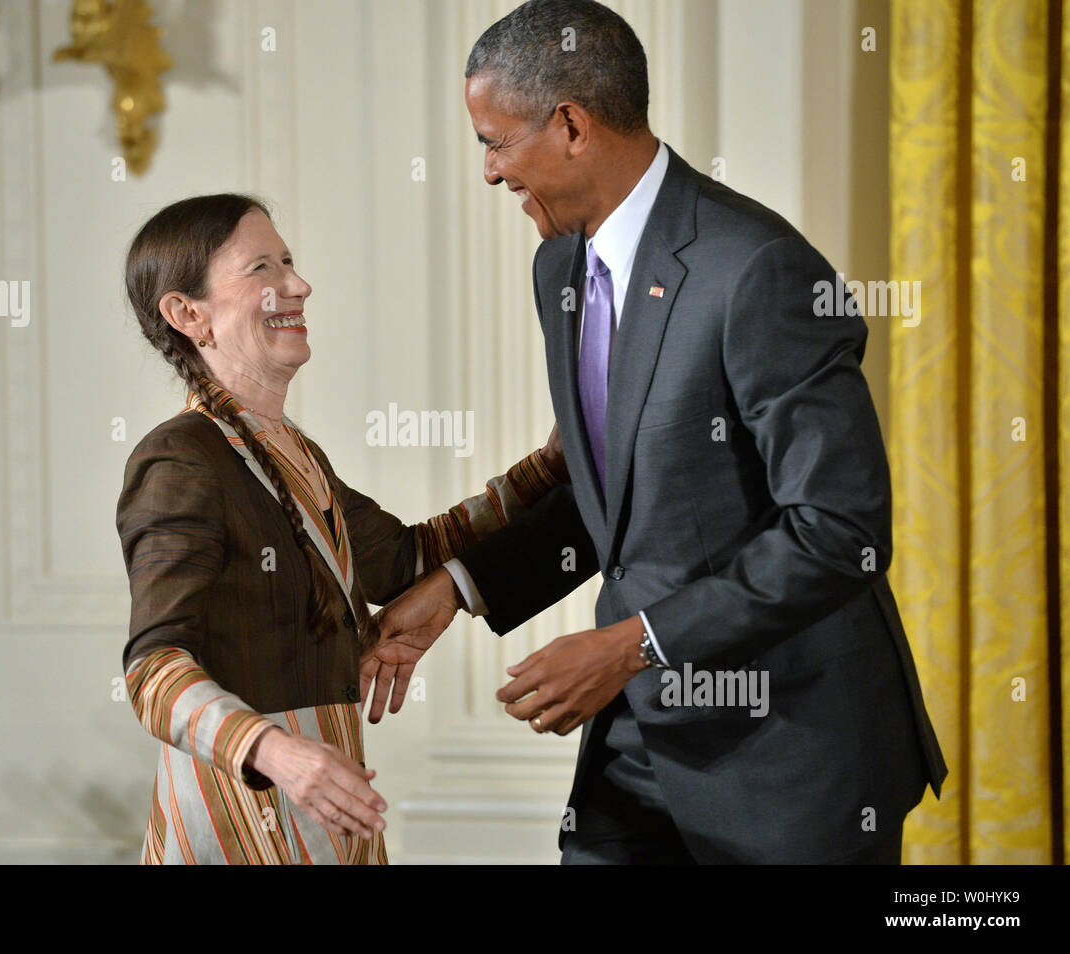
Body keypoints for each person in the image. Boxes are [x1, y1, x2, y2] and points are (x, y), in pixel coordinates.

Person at [361, 0, 947, 864]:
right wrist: (461, 584)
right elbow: (618, 490)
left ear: (570, 125)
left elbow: (841, 531)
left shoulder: (755, 269)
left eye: (495, 141)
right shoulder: (557, 263)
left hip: (788, 757)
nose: (487, 172)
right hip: (638, 744)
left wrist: (633, 643)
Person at [116, 193, 568, 864]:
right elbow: (152, 670)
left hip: (323, 814)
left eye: (290, 262)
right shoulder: (181, 458)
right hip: (241, 818)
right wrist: (276, 753)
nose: (297, 285)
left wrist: (552, 465)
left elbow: (407, 557)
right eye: (261, 268)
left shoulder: (288, 449)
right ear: (188, 314)